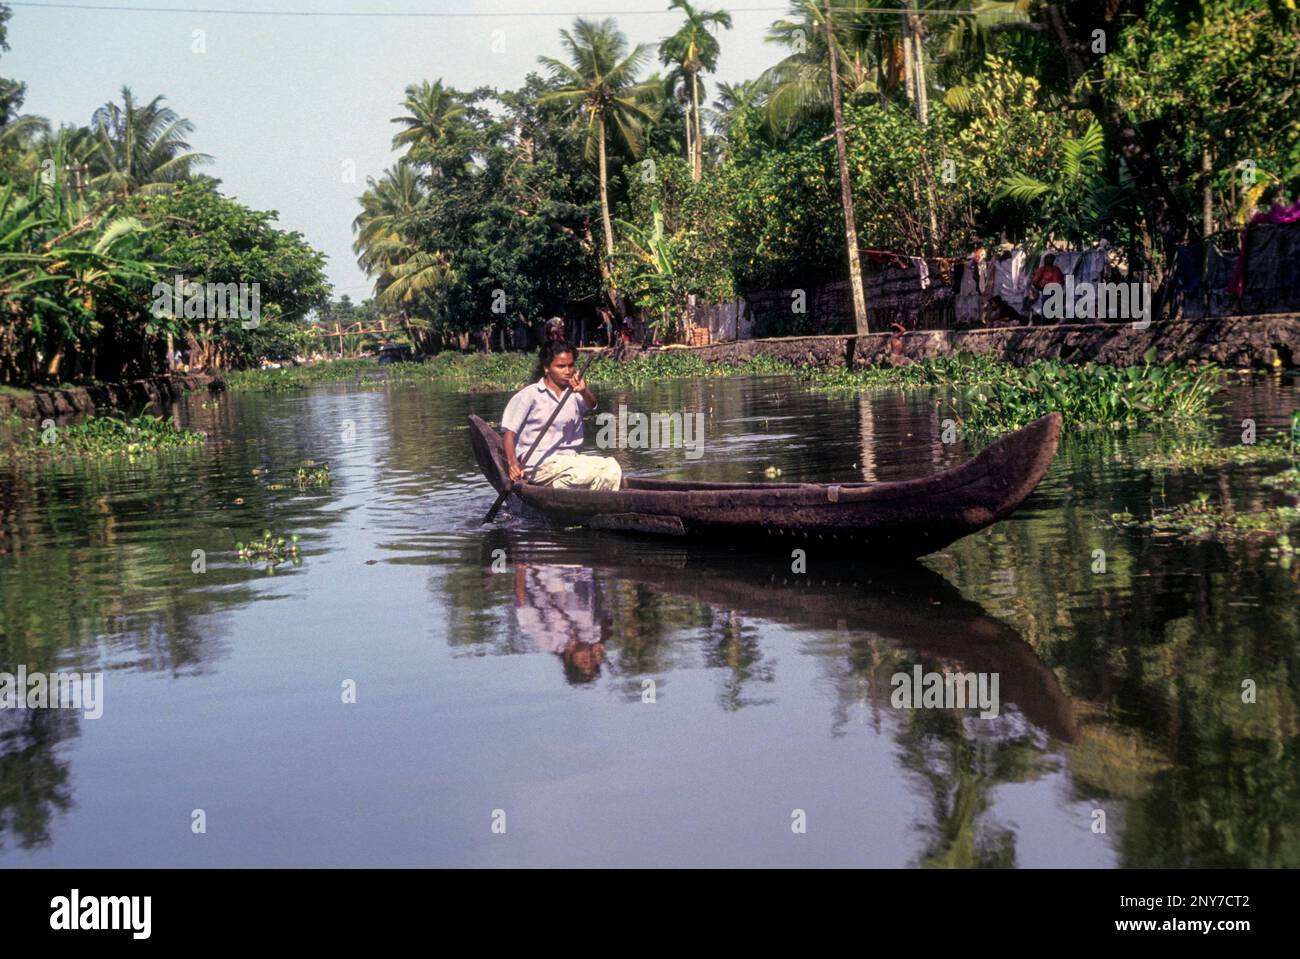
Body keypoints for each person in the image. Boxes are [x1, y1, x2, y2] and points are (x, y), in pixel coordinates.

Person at [501, 340, 622, 491]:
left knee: (612, 467)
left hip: (569, 460)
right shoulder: (529, 395)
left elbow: (592, 405)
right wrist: (513, 464)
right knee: (582, 474)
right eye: (561, 366)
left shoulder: (574, 392)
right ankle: (555, 489)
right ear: (546, 368)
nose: (568, 371)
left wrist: (584, 391)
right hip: (538, 464)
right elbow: (509, 433)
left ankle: (590, 503)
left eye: (570, 365)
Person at [1029, 253, 1066, 324]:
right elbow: (1034, 281)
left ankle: (1054, 325)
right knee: (1046, 308)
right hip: (1047, 290)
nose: (1050, 260)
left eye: (1051, 258)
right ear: (1045, 260)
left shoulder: (1056, 269)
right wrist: (1041, 288)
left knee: (1056, 309)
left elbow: (1062, 280)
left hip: (1057, 290)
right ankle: (1044, 326)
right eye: (1048, 258)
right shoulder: (1042, 269)